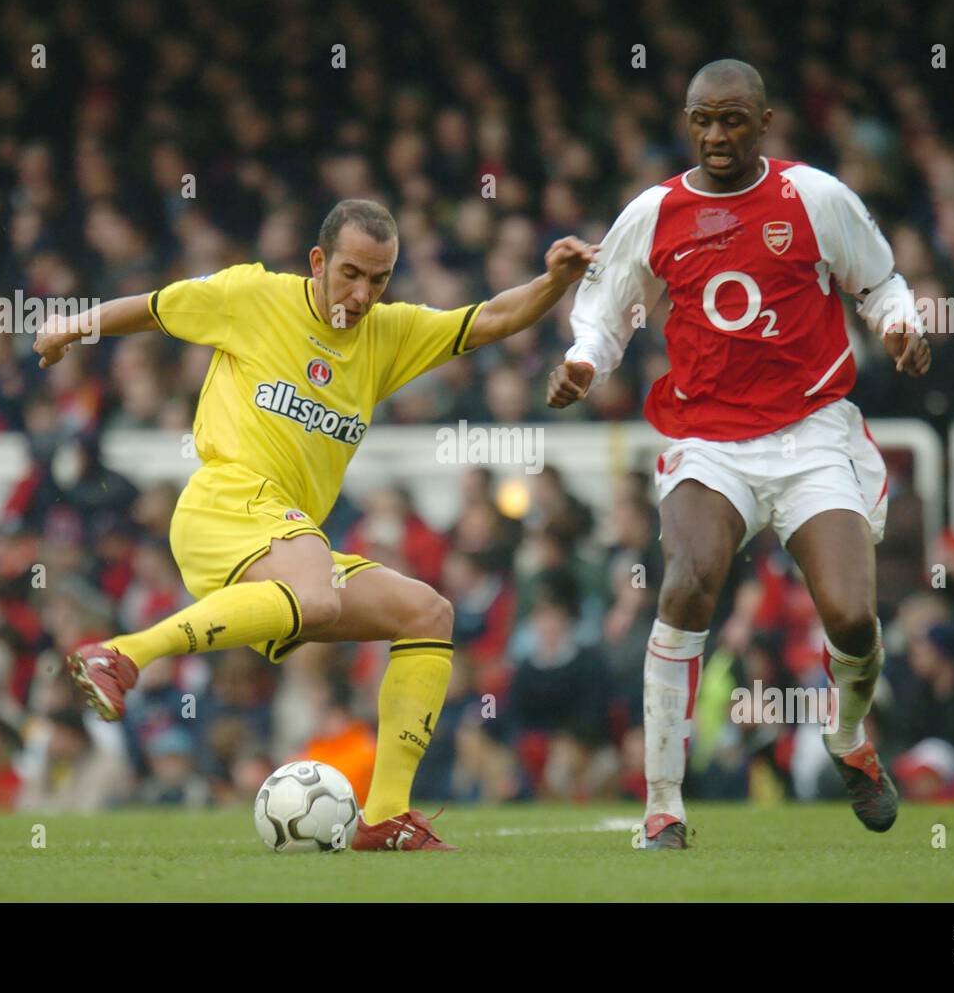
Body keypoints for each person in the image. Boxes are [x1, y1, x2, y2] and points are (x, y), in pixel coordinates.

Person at [35, 198, 594, 851]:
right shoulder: (251, 295)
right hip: (226, 502)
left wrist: (556, 281)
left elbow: (492, 317)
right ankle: (124, 653)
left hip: (286, 538)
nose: (361, 294)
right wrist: (72, 328)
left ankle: (385, 815)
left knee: (427, 612)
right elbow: (155, 307)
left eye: (379, 279)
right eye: (350, 273)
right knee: (317, 590)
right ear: (318, 261)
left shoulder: (388, 334)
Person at [547, 59, 931, 848]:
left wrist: (902, 324)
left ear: (763, 122)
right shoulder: (656, 212)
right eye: (702, 120)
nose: (715, 135)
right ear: (688, 123)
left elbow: (882, 281)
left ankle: (849, 735)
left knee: (853, 616)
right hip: (708, 439)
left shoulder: (815, 197)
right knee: (685, 585)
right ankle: (663, 805)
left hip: (812, 434)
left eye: (731, 120)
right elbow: (606, 314)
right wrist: (585, 362)